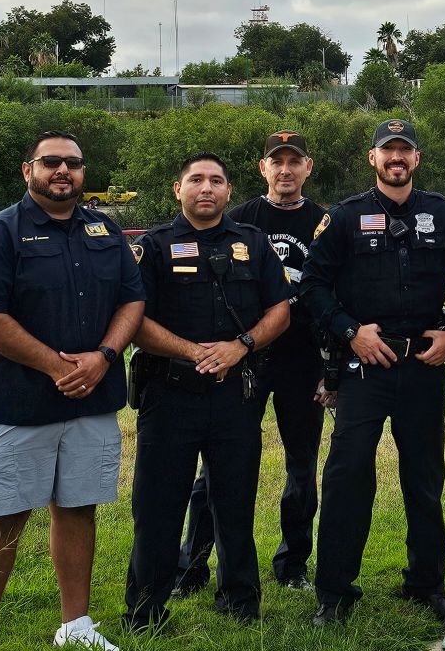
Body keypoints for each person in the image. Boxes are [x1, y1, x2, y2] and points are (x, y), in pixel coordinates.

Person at [0, 131, 145, 651]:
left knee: (79, 508)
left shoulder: (103, 229)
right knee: (2, 517)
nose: (63, 172)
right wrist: (56, 366)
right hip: (14, 402)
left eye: (74, 164)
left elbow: (132, 301)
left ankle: (75, 626)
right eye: (51, 163)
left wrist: (104, 357)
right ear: (28, 170)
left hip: (91, 396)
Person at [302, 117, 445, 627]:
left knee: (424, 478)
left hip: (422, 364)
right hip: (364, 367)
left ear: (416, 159)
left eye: (405, 151)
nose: (396, 158)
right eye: (387, 151)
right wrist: (351, 331)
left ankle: (426, 584)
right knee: (347, 475)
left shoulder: (443, 216)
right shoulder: (346, 217)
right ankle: (334, 593)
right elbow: (313, 286)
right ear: (373, 159)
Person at [122, 152, 292, 630]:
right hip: (169, 394)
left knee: (235, 502)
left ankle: (240, 601)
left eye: (216, 180)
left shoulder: (253, 243)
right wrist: (195, 352)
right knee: (158, 507)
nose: (206, 188)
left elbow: (280, 309)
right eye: (195, 179)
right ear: (178, 189)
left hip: (235, 395)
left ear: (229, 192)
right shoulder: (152, 247)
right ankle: (145, 611)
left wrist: (241, 347)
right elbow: (134, 321)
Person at [174, 130, 329, 596]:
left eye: (293, 161)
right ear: (262, 169)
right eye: (275, 162)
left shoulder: (326, 222)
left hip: (303, 360)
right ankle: (193, 566)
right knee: (216, 468)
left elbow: (337, 294)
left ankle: (293, 563)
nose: (285, 170)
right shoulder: (239, 218)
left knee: (301, 466)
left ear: (307, 167)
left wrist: (331, 366)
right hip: (245, 360)